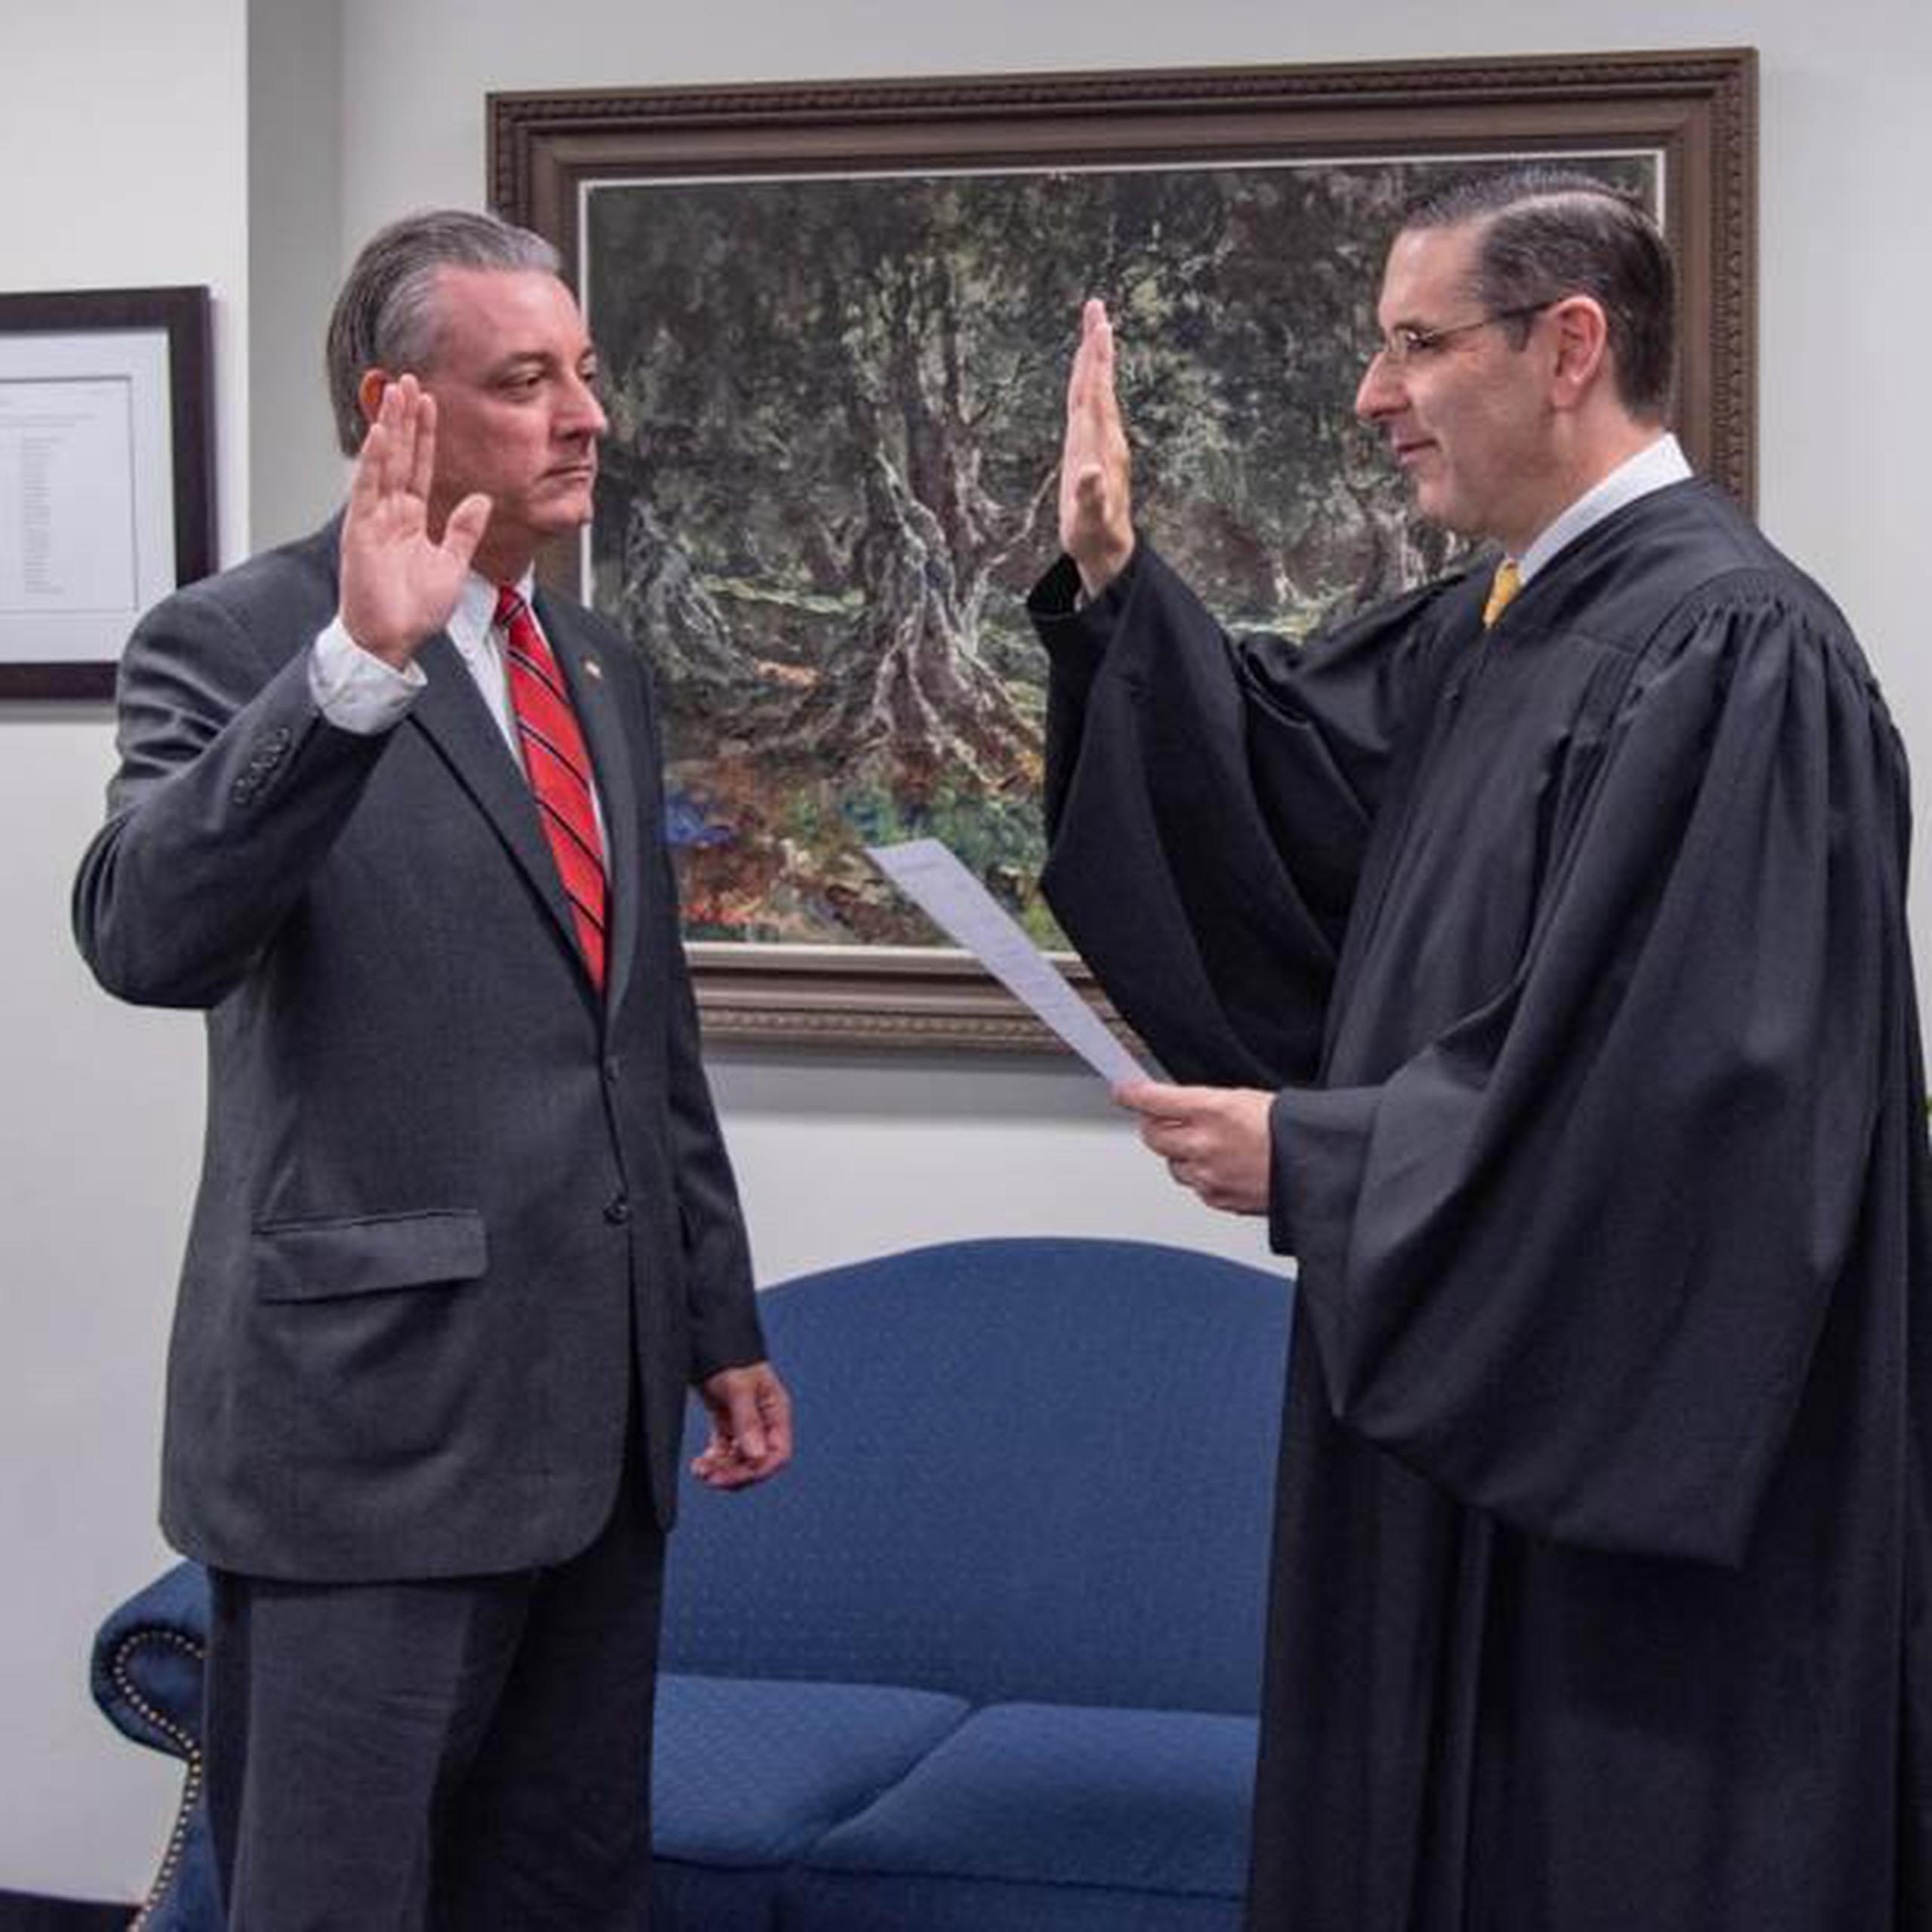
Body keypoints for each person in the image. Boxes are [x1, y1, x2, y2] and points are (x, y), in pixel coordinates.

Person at [1032, 169, 1930, 1930]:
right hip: (1456, 1450)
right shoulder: (1496, 625)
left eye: (1413, 345)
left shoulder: (1735, 652)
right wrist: (1116, 582)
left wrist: (1327, 1157)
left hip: (1630, 1551)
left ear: (1567, 346)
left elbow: (1698, 1102)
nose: (1372, 397)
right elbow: (1284, 801)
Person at [72, 208, 792, 1930]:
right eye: (525, 379)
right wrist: (354, 670)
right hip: (367, 1438)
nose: (585, 417)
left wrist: (717, 1322)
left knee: (557, 1897)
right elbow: (141, 936)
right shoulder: (241, 641)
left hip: (594, 1430)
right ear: (399, 408)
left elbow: (641, 1035)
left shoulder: (595, 664)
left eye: (587, 374)